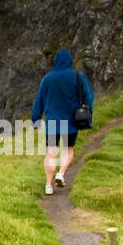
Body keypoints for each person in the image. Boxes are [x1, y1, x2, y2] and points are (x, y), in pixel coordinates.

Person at [30, 48, 93, 195]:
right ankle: (61, 173)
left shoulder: (47, 79)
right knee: (68, 149)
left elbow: (39, 101)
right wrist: (88, 109)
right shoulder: (78, 77)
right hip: (71, 122)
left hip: (52, 123)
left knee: (51, 153)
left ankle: (48, 185)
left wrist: (35, 120)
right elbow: (88, 97)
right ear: (70, 61)